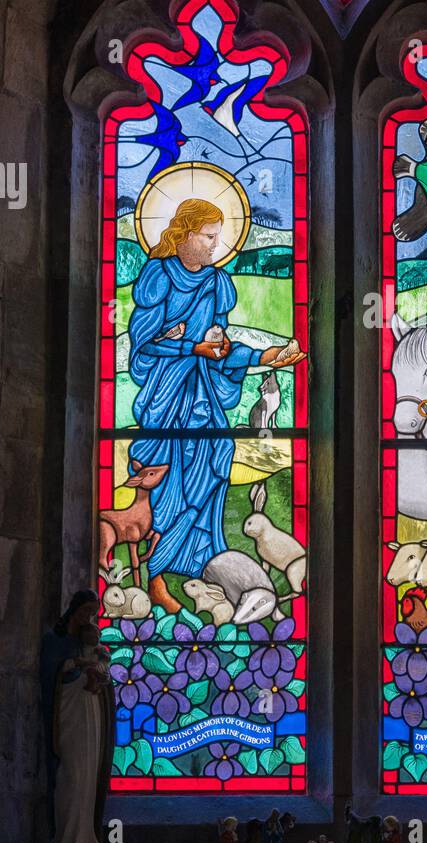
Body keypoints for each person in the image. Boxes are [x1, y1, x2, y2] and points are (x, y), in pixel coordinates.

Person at [127, 198, 305, 609]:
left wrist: (267, 356)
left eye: (218, 237)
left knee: (212, 467)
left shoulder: (216, 282)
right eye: (208, 236)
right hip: (167, 401)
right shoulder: (157, 277)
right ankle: (156, 579)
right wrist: (192, 348)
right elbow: (143, 346)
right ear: (184, 234)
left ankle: (205, 571)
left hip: (205, 400)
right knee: (168, 485)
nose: (215, 245)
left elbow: (220, 348)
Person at [40, 591, 115, 843]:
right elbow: (51, 677)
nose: (88, 618)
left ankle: (85, 838)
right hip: (68, 715)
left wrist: (98, 675)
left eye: (92, 614)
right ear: (73, 610)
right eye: (84, 611)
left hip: (90, 713)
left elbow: (105, 673)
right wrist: (76, 667)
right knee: (70, 773)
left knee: (88, 775)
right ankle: (64, 839)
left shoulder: (92, 645)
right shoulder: (55, 641)